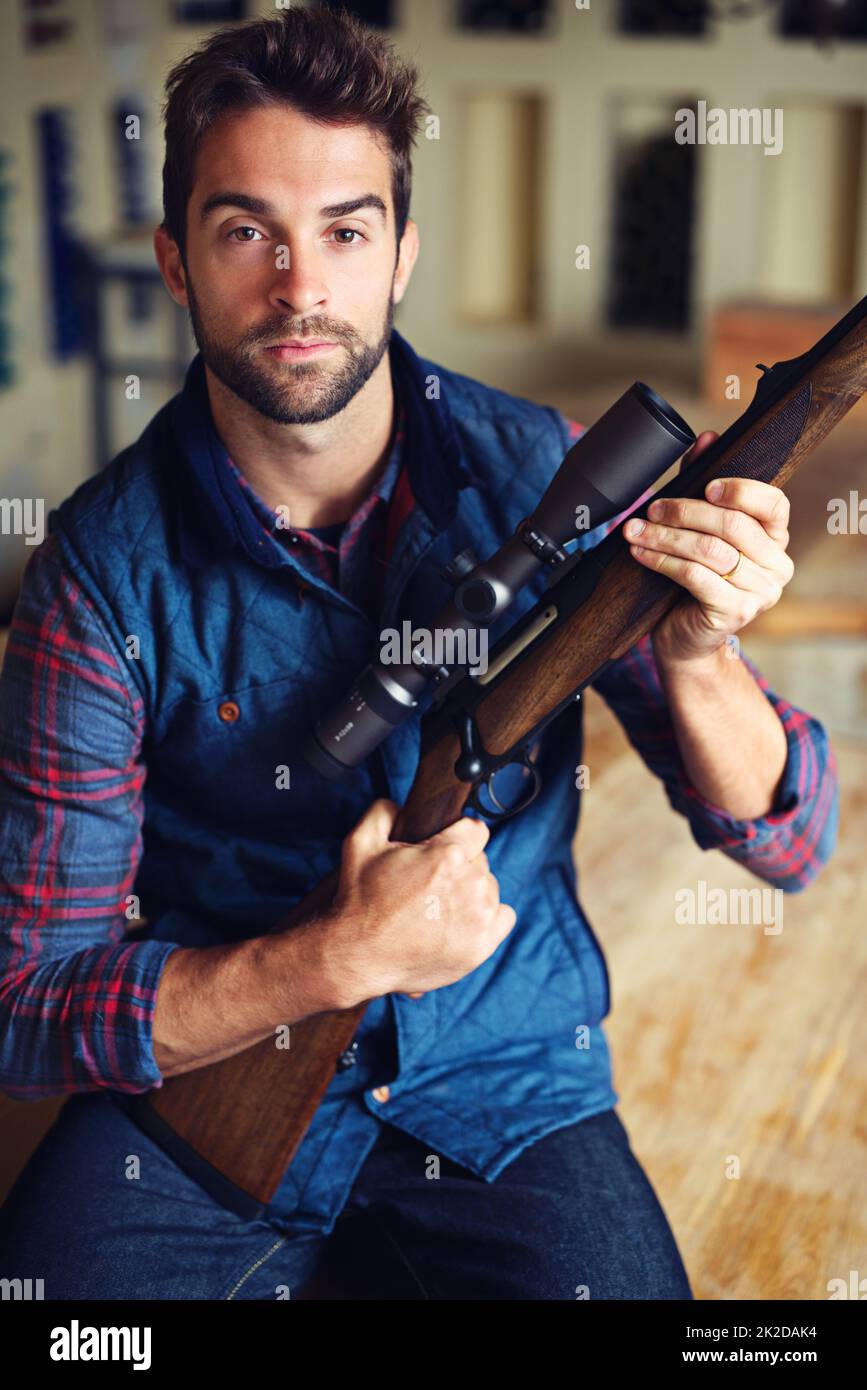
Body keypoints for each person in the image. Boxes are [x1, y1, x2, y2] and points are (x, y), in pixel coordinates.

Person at [0, 7, 837, 1301]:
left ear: (401, 255)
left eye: (345, 229)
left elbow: (785, 840)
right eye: (246, 232)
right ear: (176, 260)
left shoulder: (545, 476)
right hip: (207, 1081)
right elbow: (28, 1004)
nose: (300, 286)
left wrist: (700, 649)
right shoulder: (98, 576)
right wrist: (331, 959)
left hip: (509, 1081)